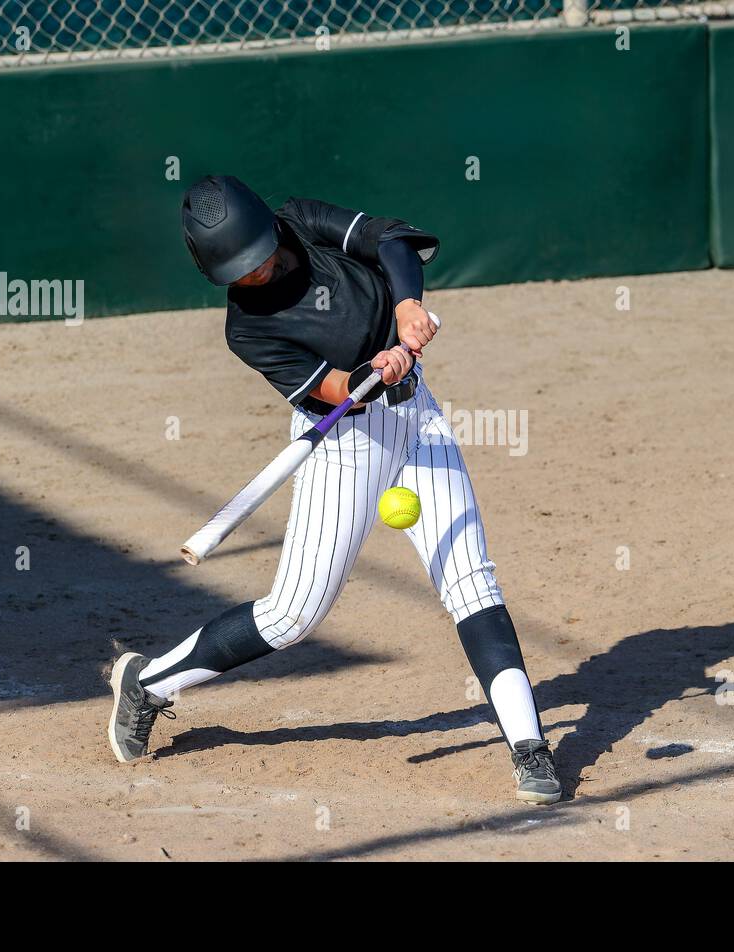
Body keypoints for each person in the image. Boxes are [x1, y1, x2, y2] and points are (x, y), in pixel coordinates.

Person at [106, 175, 561, 804]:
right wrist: (372, 374)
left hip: (417, 416)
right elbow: (340, 392)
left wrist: (406, 306)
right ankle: (149, 683)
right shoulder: (249, 332)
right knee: (293, 614)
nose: (256, 275)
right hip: (346, 442)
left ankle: (529, 746)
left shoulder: (301, 220)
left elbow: (392, 242)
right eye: (241, 272)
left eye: (260, 259)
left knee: (469, 577)